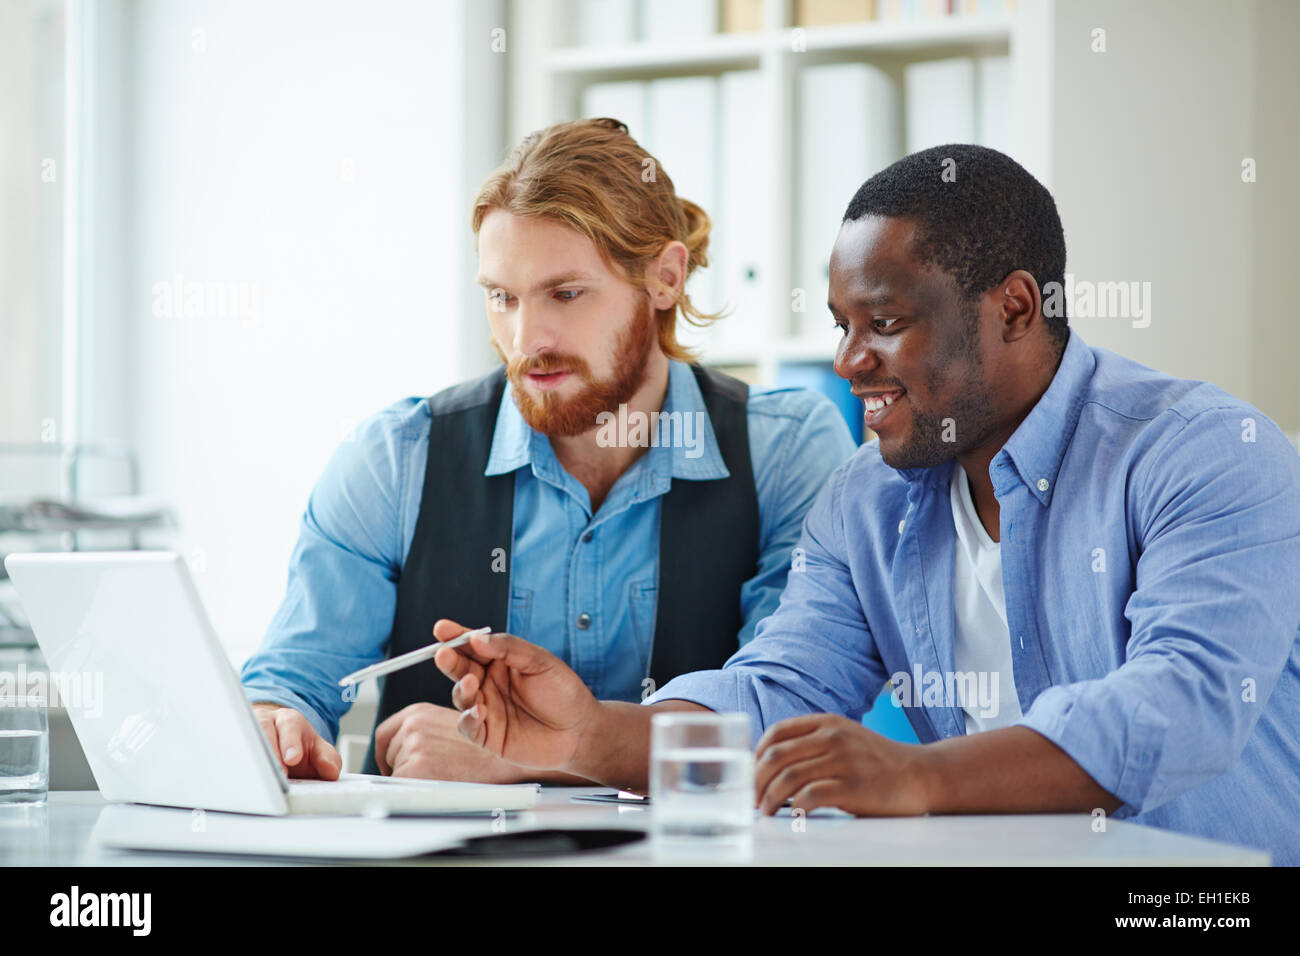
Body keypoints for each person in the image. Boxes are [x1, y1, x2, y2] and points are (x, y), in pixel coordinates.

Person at [431, 144, 1300, 863]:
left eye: (884, 323)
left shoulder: (1205, 454)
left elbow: (1180, 705)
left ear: (1015, 307)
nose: (849, 362)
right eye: (842, 324)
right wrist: (592, 736)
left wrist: (916, 778)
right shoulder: (867, 495)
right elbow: (781, 691)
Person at [238, 118, 857, 784]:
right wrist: (278, 723)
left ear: (665, 279)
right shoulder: (395, 458)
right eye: (502, 298)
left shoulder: (786, 450)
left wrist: (532, 760)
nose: (526, 338)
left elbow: (793, 722)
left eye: (565, 294)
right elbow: (291, 680)